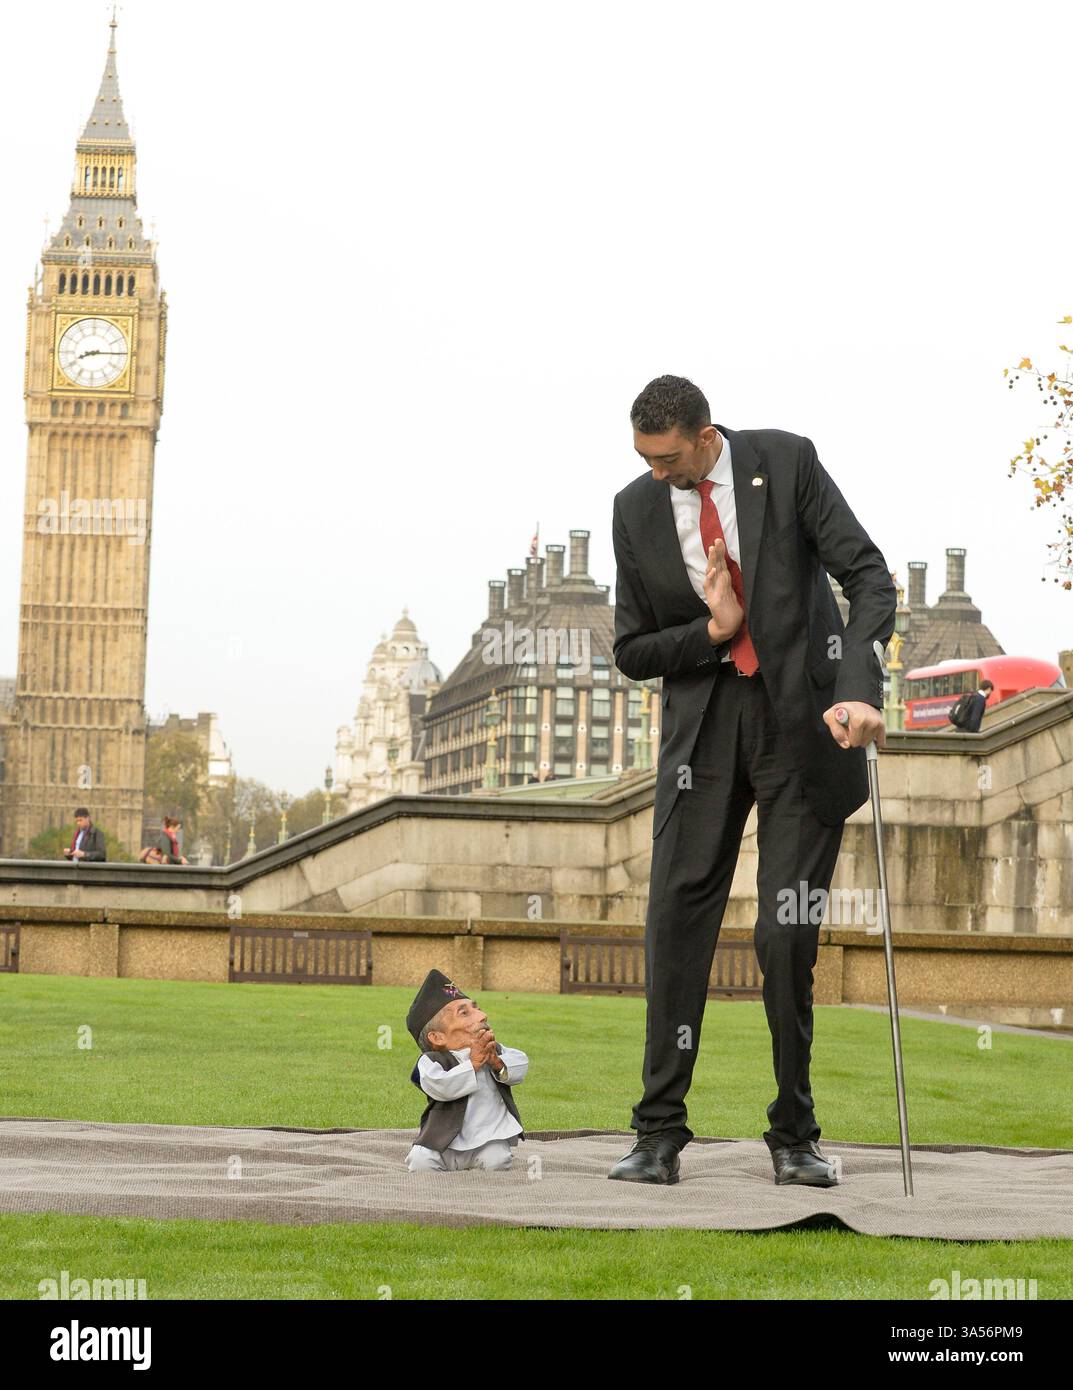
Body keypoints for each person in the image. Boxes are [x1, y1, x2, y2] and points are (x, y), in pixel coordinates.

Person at [608, 375, 896, 1189]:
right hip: (702, 737)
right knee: (673, 923)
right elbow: (632, 651)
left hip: (803, 723)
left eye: (667, 459)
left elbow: (868, 578)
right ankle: (656, 1134)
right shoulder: (634, 510)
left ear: (705, 437)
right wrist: (711, 632)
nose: (656, 474)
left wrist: (855, 691)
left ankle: (794, 1134)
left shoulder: (787, 462)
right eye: (643, 459)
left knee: (783, 934)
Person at [403, 969, 529, 1172]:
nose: (482, 1015)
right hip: (443, 1140)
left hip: (489, 1137)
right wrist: (473, 1065)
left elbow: (521, 1063)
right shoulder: (431, 1062)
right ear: (438, 1038)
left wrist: (498, 1063)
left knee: (497, 1159)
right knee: (421, 1161)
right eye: (465, 1013)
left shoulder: (493, 1052)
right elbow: (440, 1086)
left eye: (476, 1008)